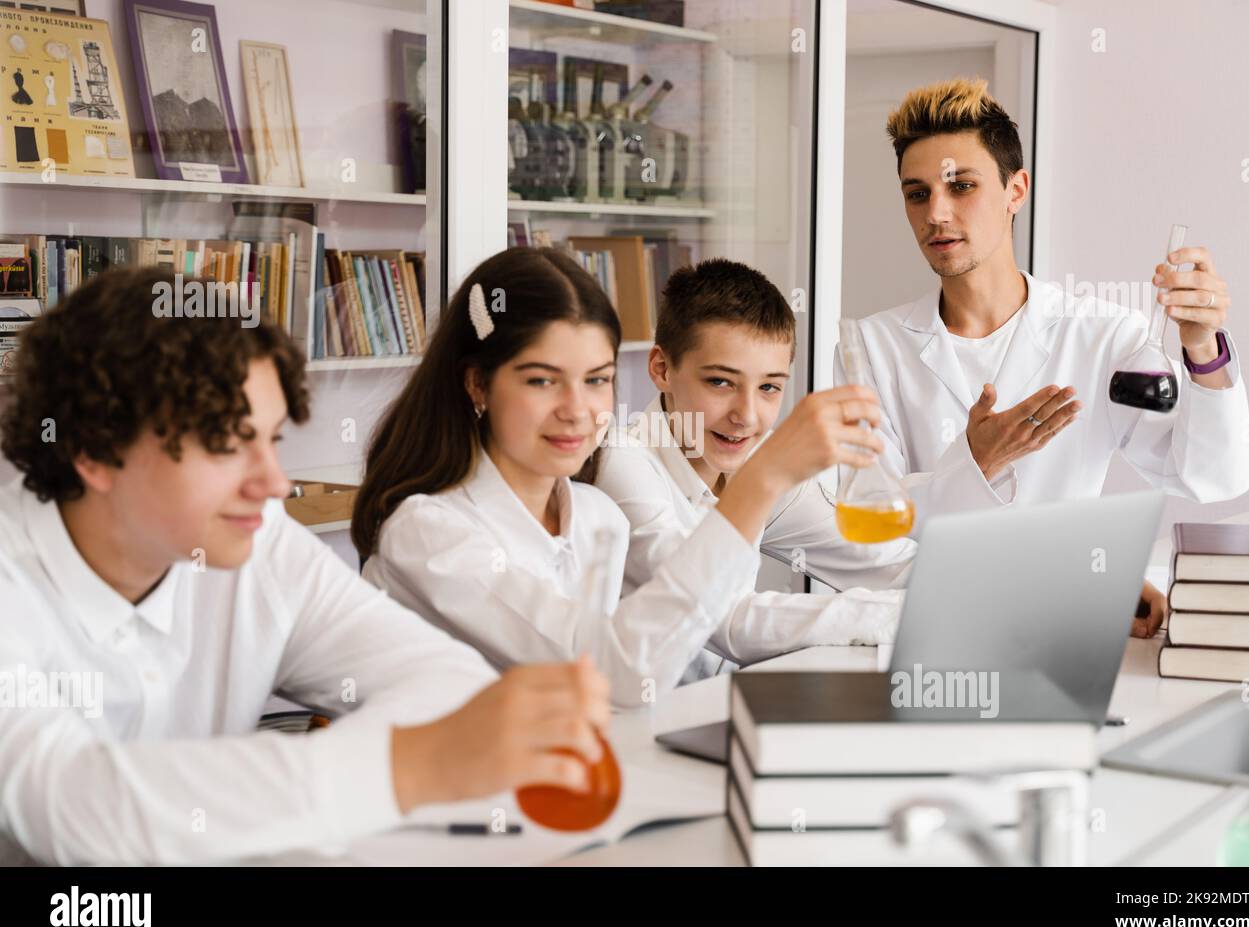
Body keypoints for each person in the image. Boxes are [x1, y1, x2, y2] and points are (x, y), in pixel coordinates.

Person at [0, 266, 610, 865]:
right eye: (226, 445)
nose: (274, 483)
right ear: (95, 452)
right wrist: (402, 767)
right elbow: (69, 804)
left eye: (271, 440)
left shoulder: (258, 542)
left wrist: (384, 771)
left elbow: (444, 681)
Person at [353, 247, 883, 704]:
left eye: (597, 380)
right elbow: (617, 671)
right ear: (478, 385)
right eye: (543, 380)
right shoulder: (428, 533)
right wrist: (762, 479)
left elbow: (626, 689)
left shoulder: (594, 518)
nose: (576, 410)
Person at [842, 76, 1249, 637]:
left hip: (1065, 639)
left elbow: (1215, 477)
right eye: (917, 193)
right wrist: (975, 462)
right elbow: (865, 525)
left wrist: (1202, 348)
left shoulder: (1102, 336)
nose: (936, 214)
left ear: (1016, 191)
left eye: (961, 186)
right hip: (927, 637)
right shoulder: (870, 347)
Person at [595, 258, 909, 680]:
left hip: (713, 717)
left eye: (768, 388)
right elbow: (725, 620)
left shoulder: (754, 459)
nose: (745, 416)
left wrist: (985, 596)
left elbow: (888, 566)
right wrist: (901, 616)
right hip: (636, 731)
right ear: (662, 369)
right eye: (720, 382)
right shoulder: (621, 461)